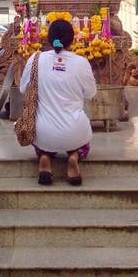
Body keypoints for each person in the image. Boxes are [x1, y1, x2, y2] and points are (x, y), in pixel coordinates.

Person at [19, 18, 97, 186]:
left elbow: (23, 89)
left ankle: (45, 157)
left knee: (43, 140)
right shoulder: (81, 62)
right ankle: (74, 157)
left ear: (48, 38)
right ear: (72, 38)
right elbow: (91, 93)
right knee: (82, 144)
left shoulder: (35, 59)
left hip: (43, 132)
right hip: (75, 130)